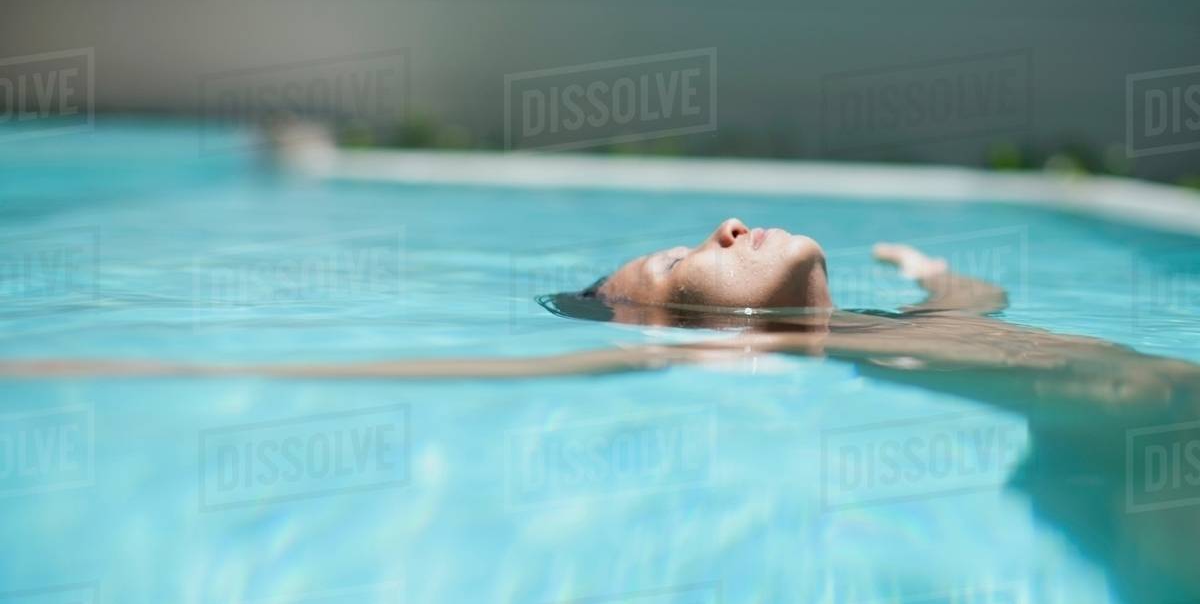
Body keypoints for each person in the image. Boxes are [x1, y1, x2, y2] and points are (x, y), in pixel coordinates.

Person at [6, 217, 1200, 601]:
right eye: (689, 262)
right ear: (673, 337)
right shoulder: (722, 361)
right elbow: (426, 382)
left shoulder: (903, 337)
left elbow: (978, 301)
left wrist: (931, 271)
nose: (726, 226)